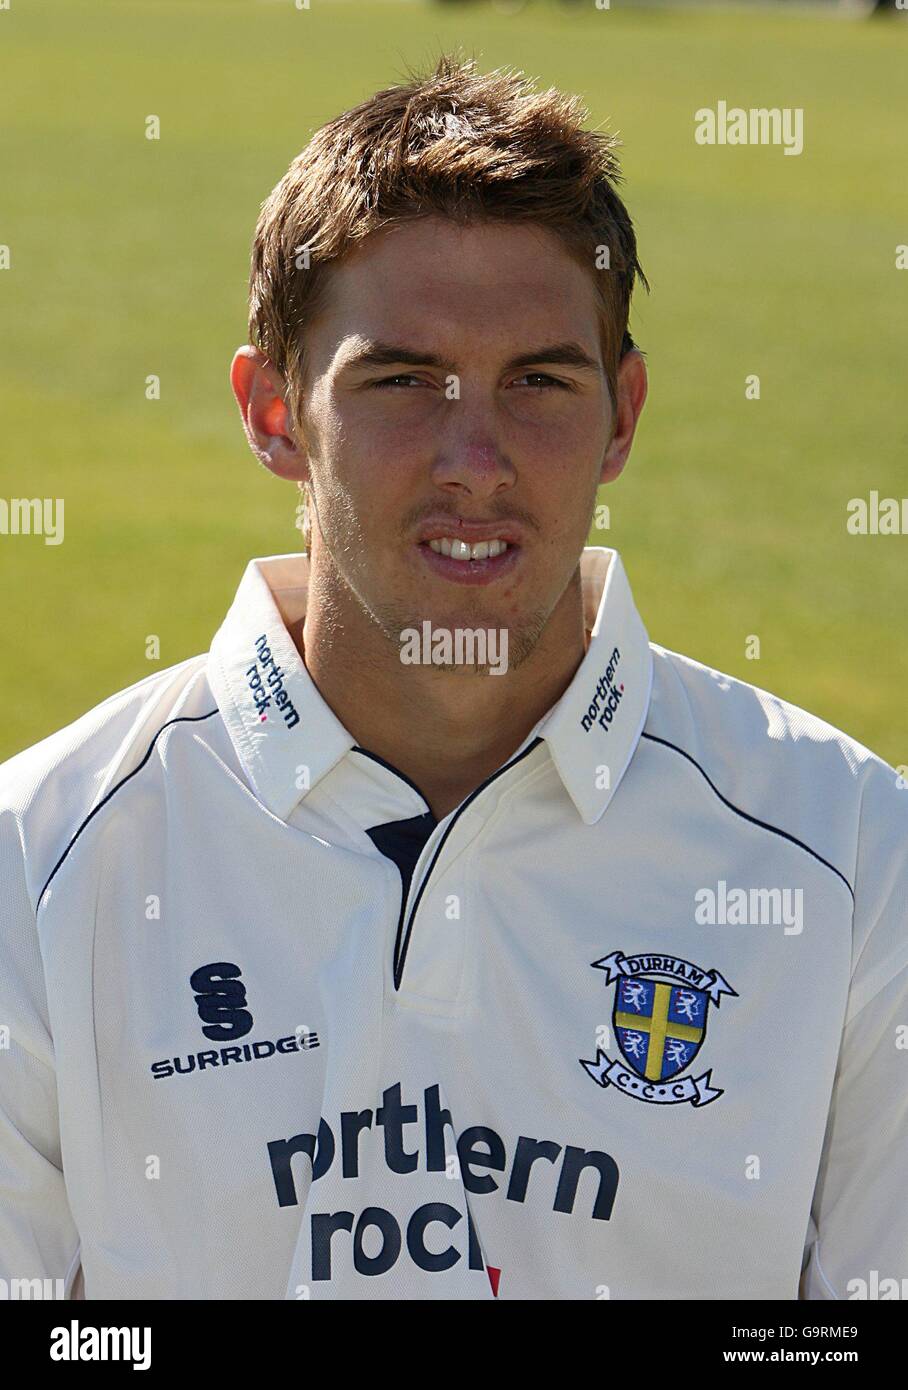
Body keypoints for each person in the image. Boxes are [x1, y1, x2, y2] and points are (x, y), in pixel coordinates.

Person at [0, 55, 905, 1301]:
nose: (472, 458)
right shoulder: (35, 865)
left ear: (622, 416)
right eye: (400, 381)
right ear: (272, 411)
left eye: (537, 380)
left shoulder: (852, 854)